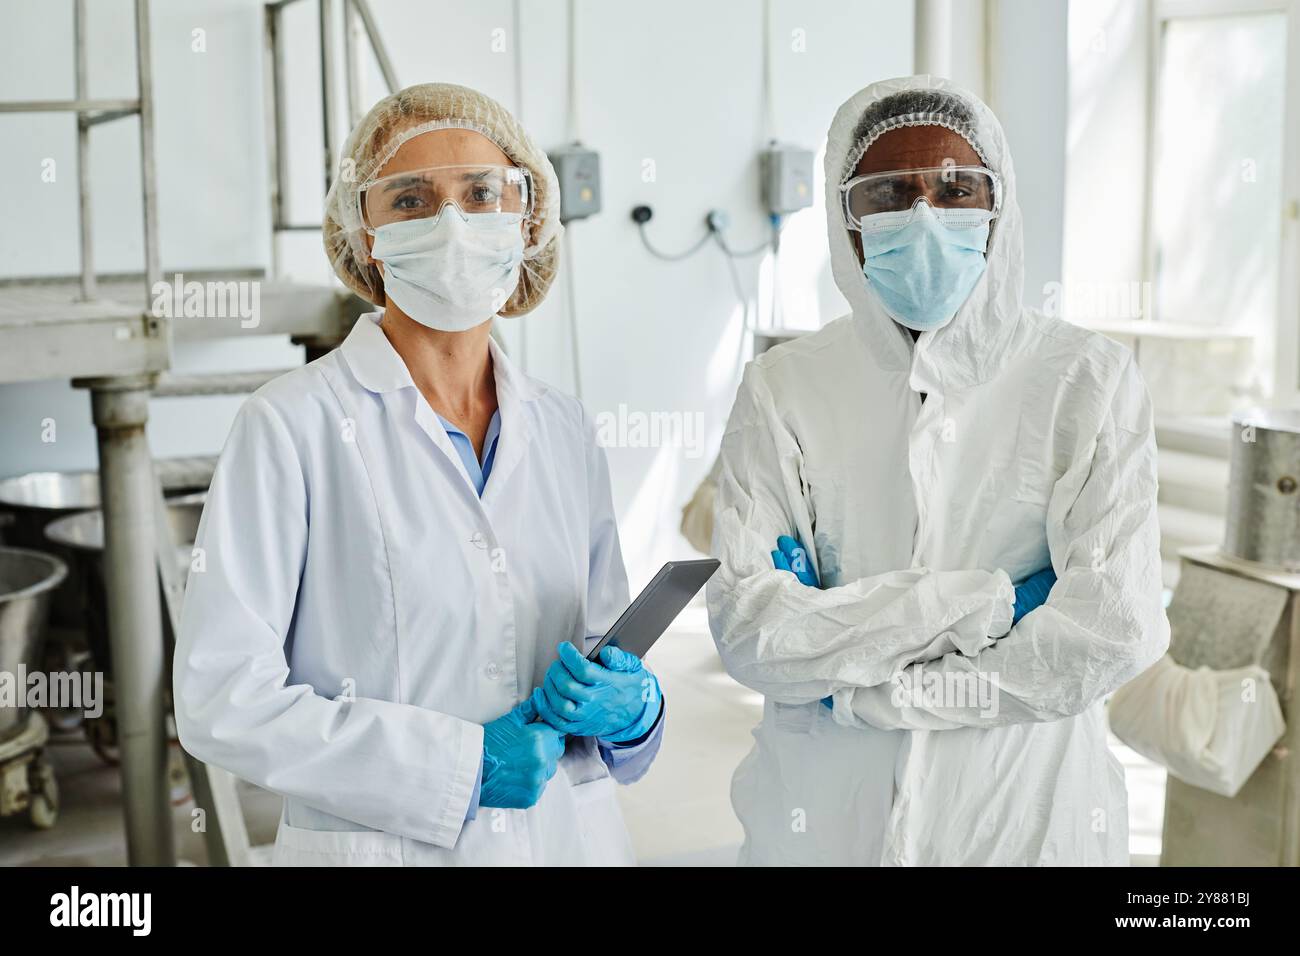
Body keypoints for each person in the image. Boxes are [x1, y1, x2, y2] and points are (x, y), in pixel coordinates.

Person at [174, 83, 663, 866]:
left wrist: (634, 710)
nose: (451, 226)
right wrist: (459, 769)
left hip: (566, 839)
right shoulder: (291, 425)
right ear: (364, 234)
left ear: (527, 216)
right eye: (410, 200)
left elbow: (604, 641)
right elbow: (222, 697)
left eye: (480, 194)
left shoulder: (563, 427)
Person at [707, 75, 1169, 866]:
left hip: (1021, 819)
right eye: (888, 190)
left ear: (999, 203)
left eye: (957, 188)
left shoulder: (1086, 382)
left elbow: (1108, 634)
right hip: (821, 824)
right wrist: (987, 603)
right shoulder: (786, 388)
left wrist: (863, 689)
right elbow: (756, 636)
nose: (924, 215)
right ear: (845, 215)